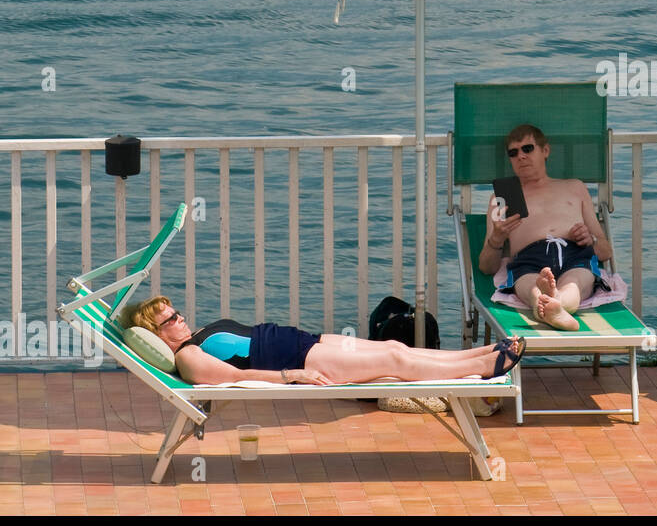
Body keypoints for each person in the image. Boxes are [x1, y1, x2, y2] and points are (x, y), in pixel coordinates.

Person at [121, 296, 524, 385]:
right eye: (171, 319)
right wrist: (293, 375)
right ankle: (481, 369)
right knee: (395, 364)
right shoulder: (190, 356)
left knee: (394, 349)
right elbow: (231, 377)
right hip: (306, 358)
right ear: (160, 336)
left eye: (176, 311)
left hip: (307, 340)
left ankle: (479, 352)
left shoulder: (196, 337)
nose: (181, 317)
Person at [478, 123, 613, 331]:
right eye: (513, 153)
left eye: (528, 148)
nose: (521, 156)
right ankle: (549, 304)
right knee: (531, 287)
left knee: (574, 284)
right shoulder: (503, 196)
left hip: (575, 255)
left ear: (546, 150)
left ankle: (555, 303)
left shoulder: (573, 187)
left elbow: (605, 251)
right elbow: (487, 267)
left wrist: (590, 240)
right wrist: (496, 239)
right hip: (528, 261)